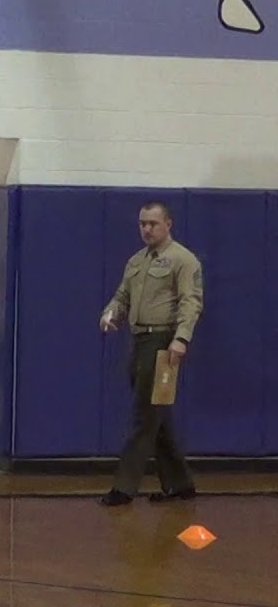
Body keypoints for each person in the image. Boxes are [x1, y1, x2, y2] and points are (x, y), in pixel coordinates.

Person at [98, 201, 203, 506]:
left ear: (168, 224)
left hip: (163, 343)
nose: (146, 229)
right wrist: (111, 313)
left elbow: (191, 302)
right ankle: (181, 483)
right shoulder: (136, 261)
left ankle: (124, 487)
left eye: (153, 223)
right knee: (157, 414)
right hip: (139, 341)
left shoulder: (183, 260)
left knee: (145, 415)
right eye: (142, 223)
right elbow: (122, 296)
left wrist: (181, 339)